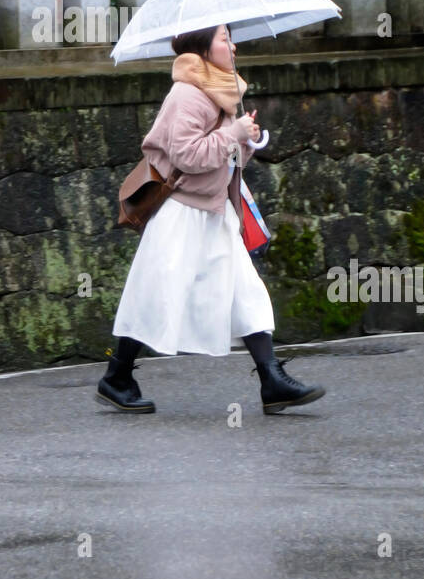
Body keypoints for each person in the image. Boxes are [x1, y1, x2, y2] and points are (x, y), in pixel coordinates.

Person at [97, 23, 325, 415]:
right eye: (225, 38)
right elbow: (187, 156)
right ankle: (117, 376)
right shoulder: (186, 94)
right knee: (154, 294)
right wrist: (231, 133)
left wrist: (244, 138)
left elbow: (223, 160)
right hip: (181, 213)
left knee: (246, 291)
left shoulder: (219, 92)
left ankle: (271, 379)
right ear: (204, 47)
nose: (233, 45)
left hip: (214, 210)